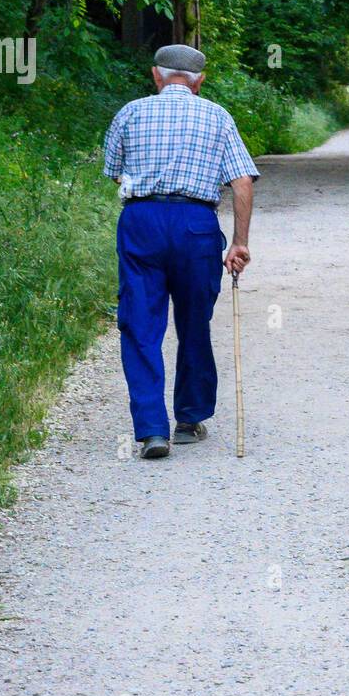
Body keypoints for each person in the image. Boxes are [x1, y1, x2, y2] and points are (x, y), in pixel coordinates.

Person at [103, 44, 259, 460]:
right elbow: (242, 182)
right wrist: (240, 242)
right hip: (196, 226)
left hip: (142, 221)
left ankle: (152, 430)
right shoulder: (217, 116)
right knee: (194, 323)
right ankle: (189, 419)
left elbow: (115, 171)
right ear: (199, 80)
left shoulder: (131, 113)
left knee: (140, 325)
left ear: (156, 75)